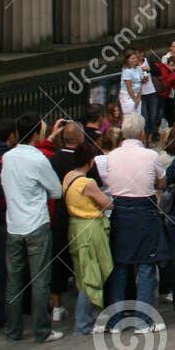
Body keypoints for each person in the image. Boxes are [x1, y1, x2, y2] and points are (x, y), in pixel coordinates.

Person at [0, 115, 64, 343]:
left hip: (14, 225)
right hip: (36, 223)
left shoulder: (7, 157)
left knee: (14, 280)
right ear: (37, 133)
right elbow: (56, 191)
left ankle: (13, 330)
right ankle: (41, 330)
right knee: (39, 280)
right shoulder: (38, 159)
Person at [104, 114, 168, 332]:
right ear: (142, 133)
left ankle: (114, 321)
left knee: (121, 265)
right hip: (144, 210)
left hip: (121, 209)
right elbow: (162, 181)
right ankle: (143, 320)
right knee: (146, 265)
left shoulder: (112, 156)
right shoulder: (150, 156)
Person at [60, 143, 114, 335]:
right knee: (92, 274)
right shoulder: (87, 183)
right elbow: (107, 203)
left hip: (75, 227)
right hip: (90, 228)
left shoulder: (68, 177)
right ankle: (83, 323)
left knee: (82, 274)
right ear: (91, 162)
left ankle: (85, 320)